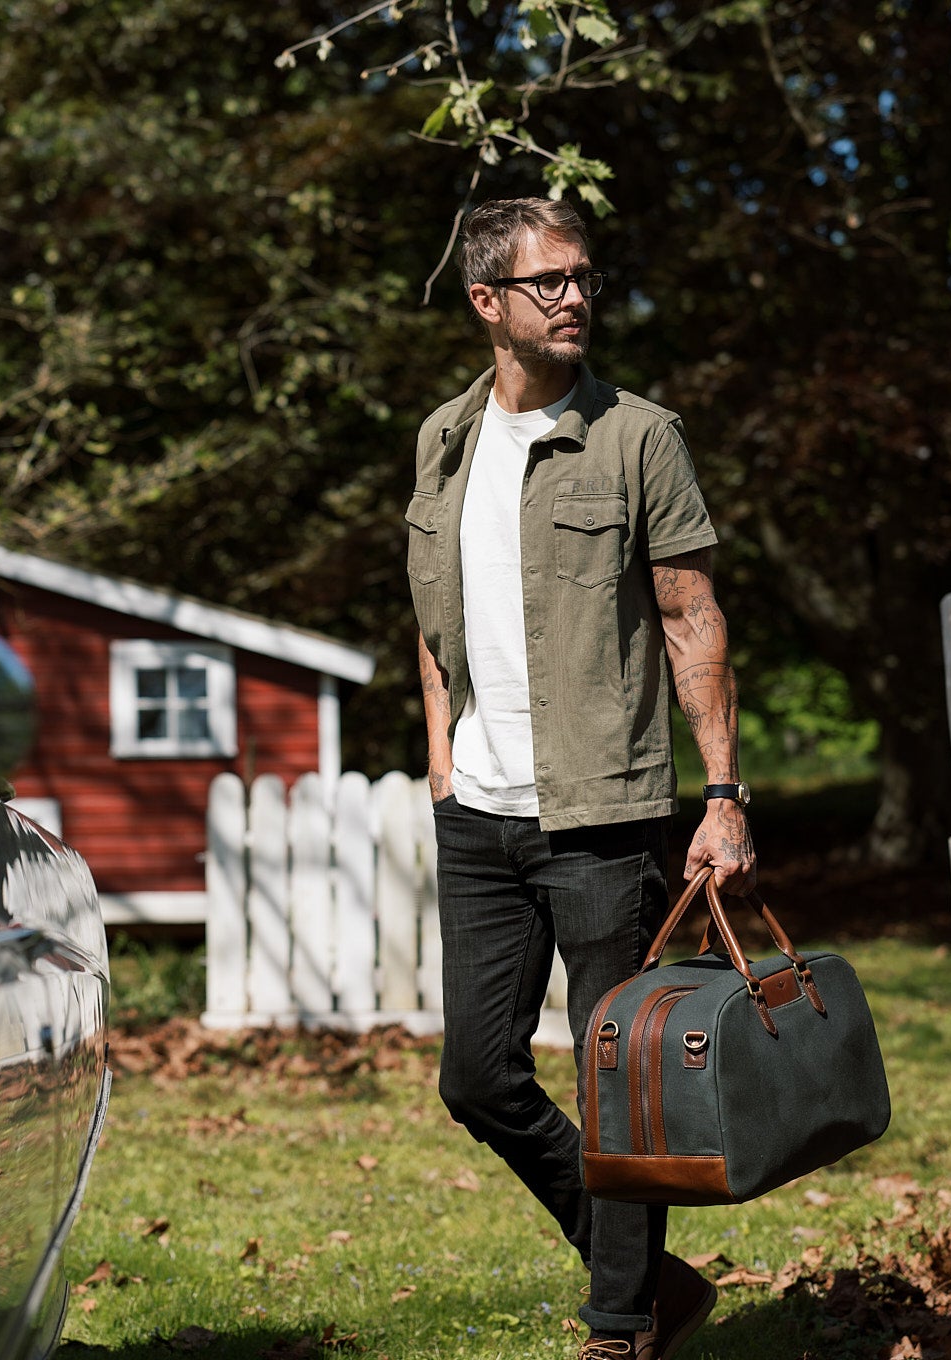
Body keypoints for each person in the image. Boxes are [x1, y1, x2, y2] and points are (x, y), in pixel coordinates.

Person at [407, 198, 755, 1359]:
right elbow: (429, 614)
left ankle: (619, 1323)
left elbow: (689, 612)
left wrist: (722, 795)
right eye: (547, 281)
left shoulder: (636, 435)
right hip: (481, 816)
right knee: (477, 1077)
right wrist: (441, 761)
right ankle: (657, 1280)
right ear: (486, 301)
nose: (573, 298)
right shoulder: (443, 440)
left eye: (585, 279)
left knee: (620, 1083)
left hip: (602, 811)